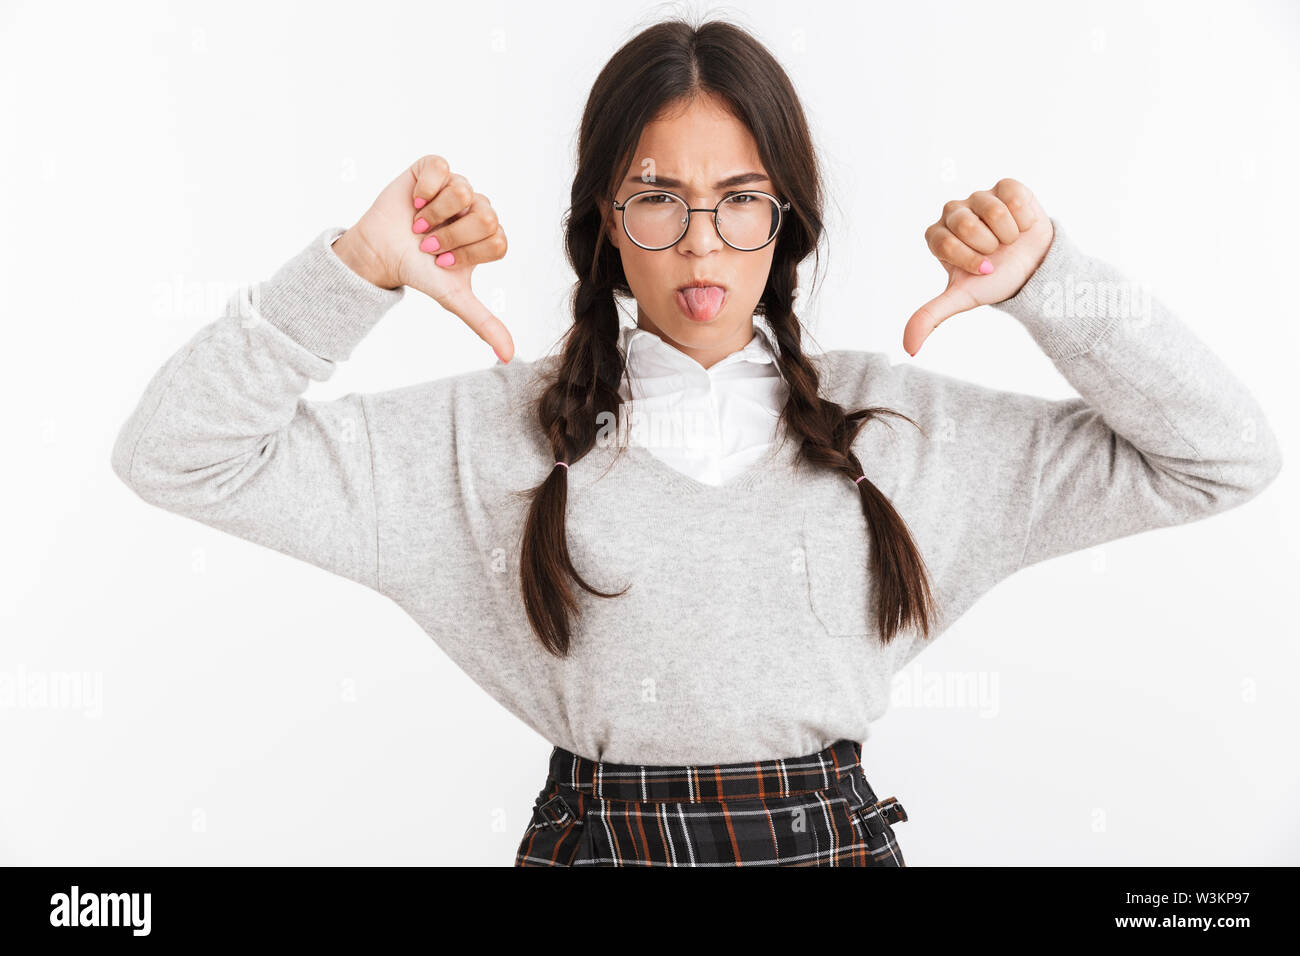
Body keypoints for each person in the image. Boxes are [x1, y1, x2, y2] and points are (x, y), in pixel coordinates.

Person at [110, 18, 1282, 867]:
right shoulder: (487, 440)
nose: (702, 243)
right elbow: (175, 453)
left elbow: (1221, 455)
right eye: (655, 197)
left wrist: (1050, 286)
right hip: (595, 849)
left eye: (742, 197)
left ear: (788, 219)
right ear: (605, 224)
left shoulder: (905, 429)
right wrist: (354, 273)